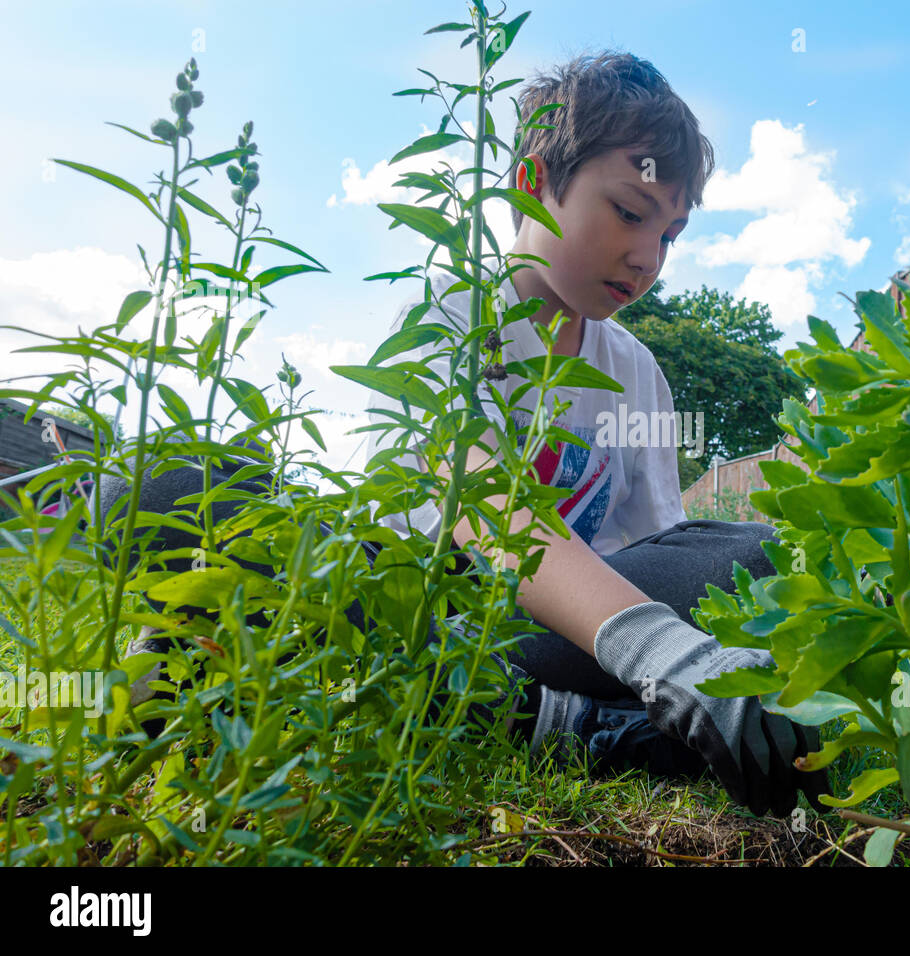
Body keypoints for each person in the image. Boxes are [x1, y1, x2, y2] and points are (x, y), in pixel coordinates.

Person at [116, 50, 829, 818]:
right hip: (404, 608)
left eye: (671, 236)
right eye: (629, 213)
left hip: (554, 634)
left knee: (753, 557)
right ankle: (547, 719)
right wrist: (661, 654)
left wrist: (686, 649)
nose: (646, 258)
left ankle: (545, 713)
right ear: (532, 184)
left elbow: (657, 552)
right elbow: (478, 502)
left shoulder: (636, 370)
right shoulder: (453, 311)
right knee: (171, 489)